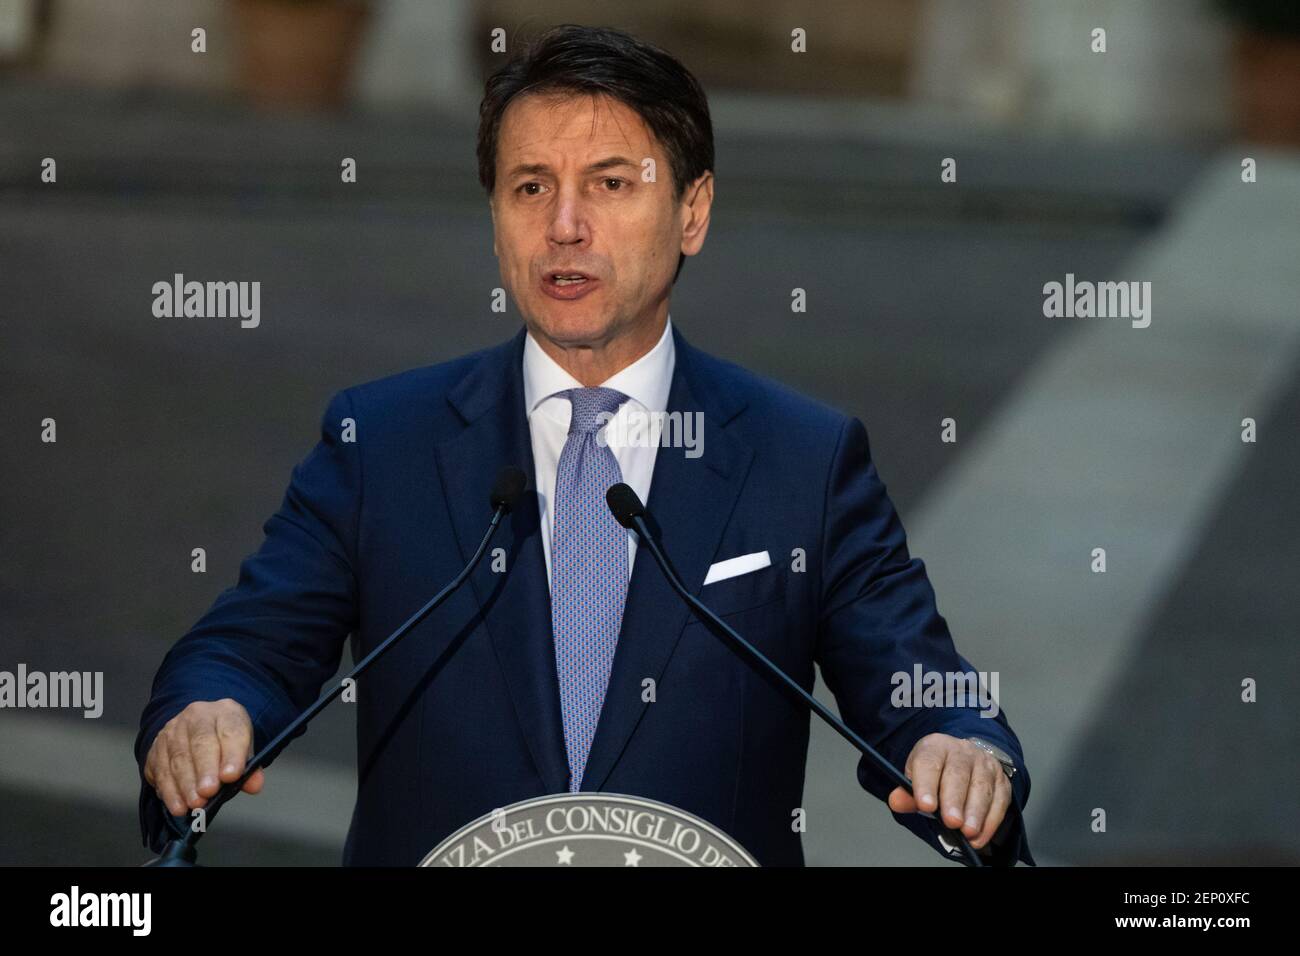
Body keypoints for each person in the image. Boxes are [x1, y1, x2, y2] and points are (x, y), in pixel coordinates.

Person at [136, 24, 1034, 866]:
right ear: (495, 221)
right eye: (531, 187)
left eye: (611, 183)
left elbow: (921, 688)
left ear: (693, 212)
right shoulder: (384, 442)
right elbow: (247, 650)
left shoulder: (802, 456)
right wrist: (208, 714)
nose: (565, 225)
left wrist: (959, 747)